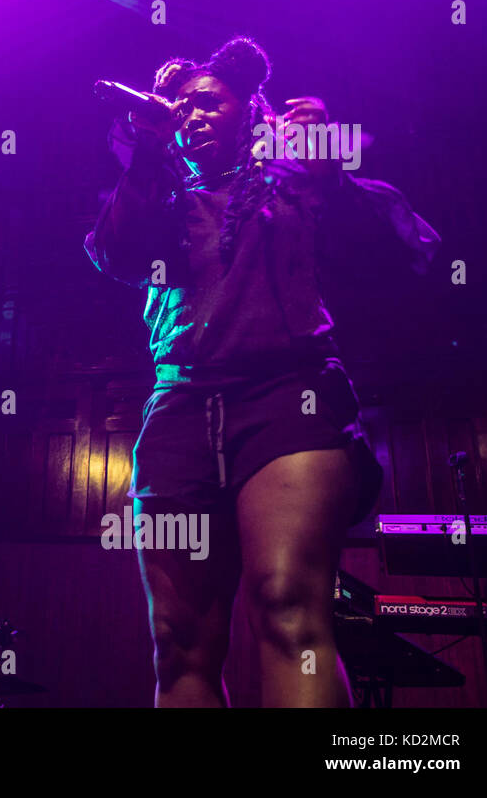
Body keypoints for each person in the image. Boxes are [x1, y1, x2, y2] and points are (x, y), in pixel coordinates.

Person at [84, 38, 440, 707]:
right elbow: (116, 254)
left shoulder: (301, 182)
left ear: (252, 108)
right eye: (179, 105)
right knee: (179, 638)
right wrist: (147, 152)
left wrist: (331, 175)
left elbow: (407, 254)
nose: (191, 113)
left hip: (289, 399)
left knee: (284, 605)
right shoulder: (160, 199)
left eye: (209, 101)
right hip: (178, 413)